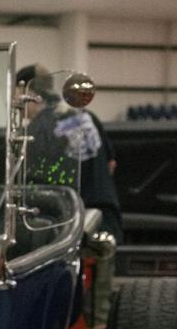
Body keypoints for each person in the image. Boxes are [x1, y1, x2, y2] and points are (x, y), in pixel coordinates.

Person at [17, 63, 123, 242]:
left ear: (25, 91)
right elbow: (110, 165)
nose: (16, 103)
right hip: (106, 222)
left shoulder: (36, 131)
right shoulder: (87, 116)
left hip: (71, 228)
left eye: (16, 95)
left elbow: (38, 186)